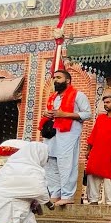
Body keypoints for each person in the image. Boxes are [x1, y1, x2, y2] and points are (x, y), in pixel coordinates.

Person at [42, 68, 92, 206]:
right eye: (54, 78)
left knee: (66, 164)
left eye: (58, 77)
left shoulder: (78, 95)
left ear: (67, 80)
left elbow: (87, 114)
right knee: (50, 163)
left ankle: (67, 196)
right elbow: (54, 113)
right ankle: (55, 194)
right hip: (52, 134)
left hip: (68, 134)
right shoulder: (54, 97)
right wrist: (47, 114)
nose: (55, 80)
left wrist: (64, 115)